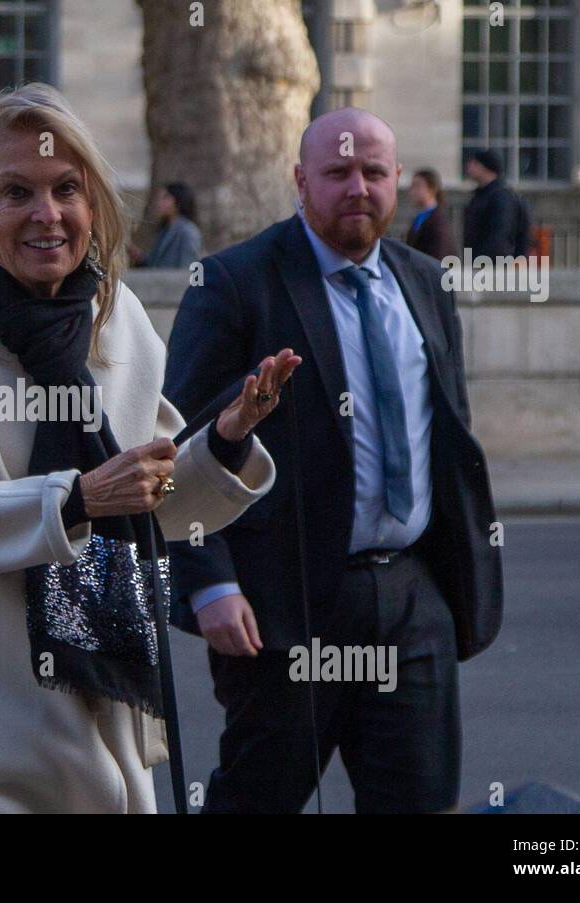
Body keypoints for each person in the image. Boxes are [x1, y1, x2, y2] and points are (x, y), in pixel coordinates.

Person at [0, 84, 300, 814]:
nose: (46, 215)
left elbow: (153, 505)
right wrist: (75, 499)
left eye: (66, 189)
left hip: (100, 705)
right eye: (16, 191)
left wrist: (226, 438)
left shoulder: (119, 322)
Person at [162, 108, 503, 813]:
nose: (358, 187)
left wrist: (449, 590)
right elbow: (181, 448)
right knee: (256, 800)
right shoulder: (234, 283)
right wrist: (209, 581)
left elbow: (451, 436)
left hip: (413, 603)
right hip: (283, 607)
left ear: (398, 181)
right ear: (300, 180)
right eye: (338, 172)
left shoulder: (426, 284)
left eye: (374, 172)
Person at [462, 149, 531, 259]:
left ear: (486, 167)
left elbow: (500, 235)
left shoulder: (501, 197)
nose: (469, 167)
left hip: (495, 264)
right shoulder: (482, 195)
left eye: (475, 163)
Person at [131, 183, 203, 268]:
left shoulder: (187, 232)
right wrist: (139, 257)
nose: (159, 203)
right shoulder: (165, 230)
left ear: (178, 201)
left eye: (165, 198)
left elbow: (186, 268)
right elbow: (155, 266)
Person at [405, 168, 457, 261]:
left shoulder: (438, 221)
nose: (412, 192)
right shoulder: (421, 218)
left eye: (417, 186)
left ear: (432, 189)